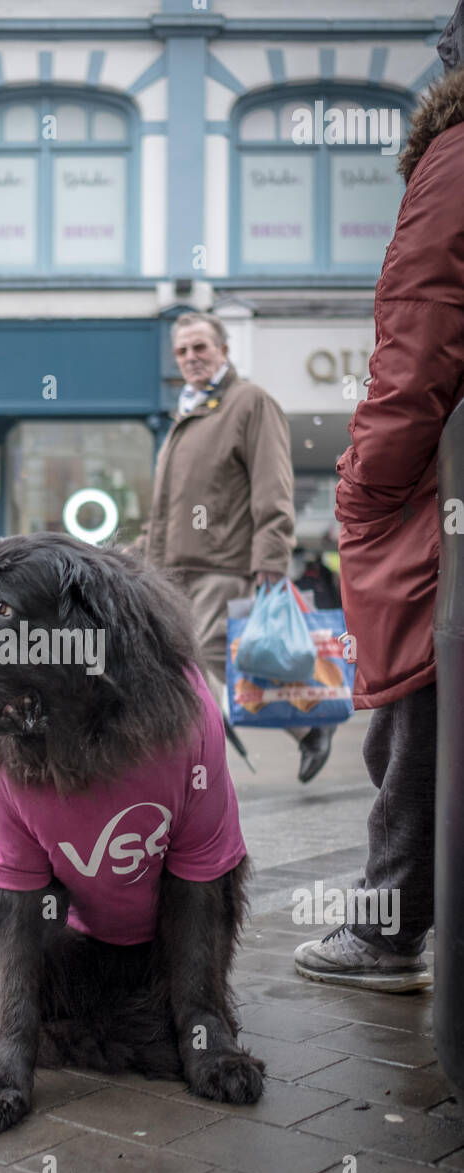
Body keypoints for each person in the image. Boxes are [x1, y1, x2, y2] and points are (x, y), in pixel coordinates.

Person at [294, 22, 464, 991]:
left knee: (413, 698)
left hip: (441, 502)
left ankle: (388, 925)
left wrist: (361, 492)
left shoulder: (451, 157)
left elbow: (418, 341)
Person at [137, 311, 334, 782]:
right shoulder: (187, 413)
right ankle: (299, 731)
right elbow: (168, 508)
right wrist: (137, 557)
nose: (191, 357)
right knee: (203, 662)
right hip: (173, 570)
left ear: (224, 350)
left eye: (201, 347)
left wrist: (271, 556)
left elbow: (273, 485)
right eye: (182, 351)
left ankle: (200, 759)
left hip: (222, 563)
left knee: (202, 658)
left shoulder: (249, 403)